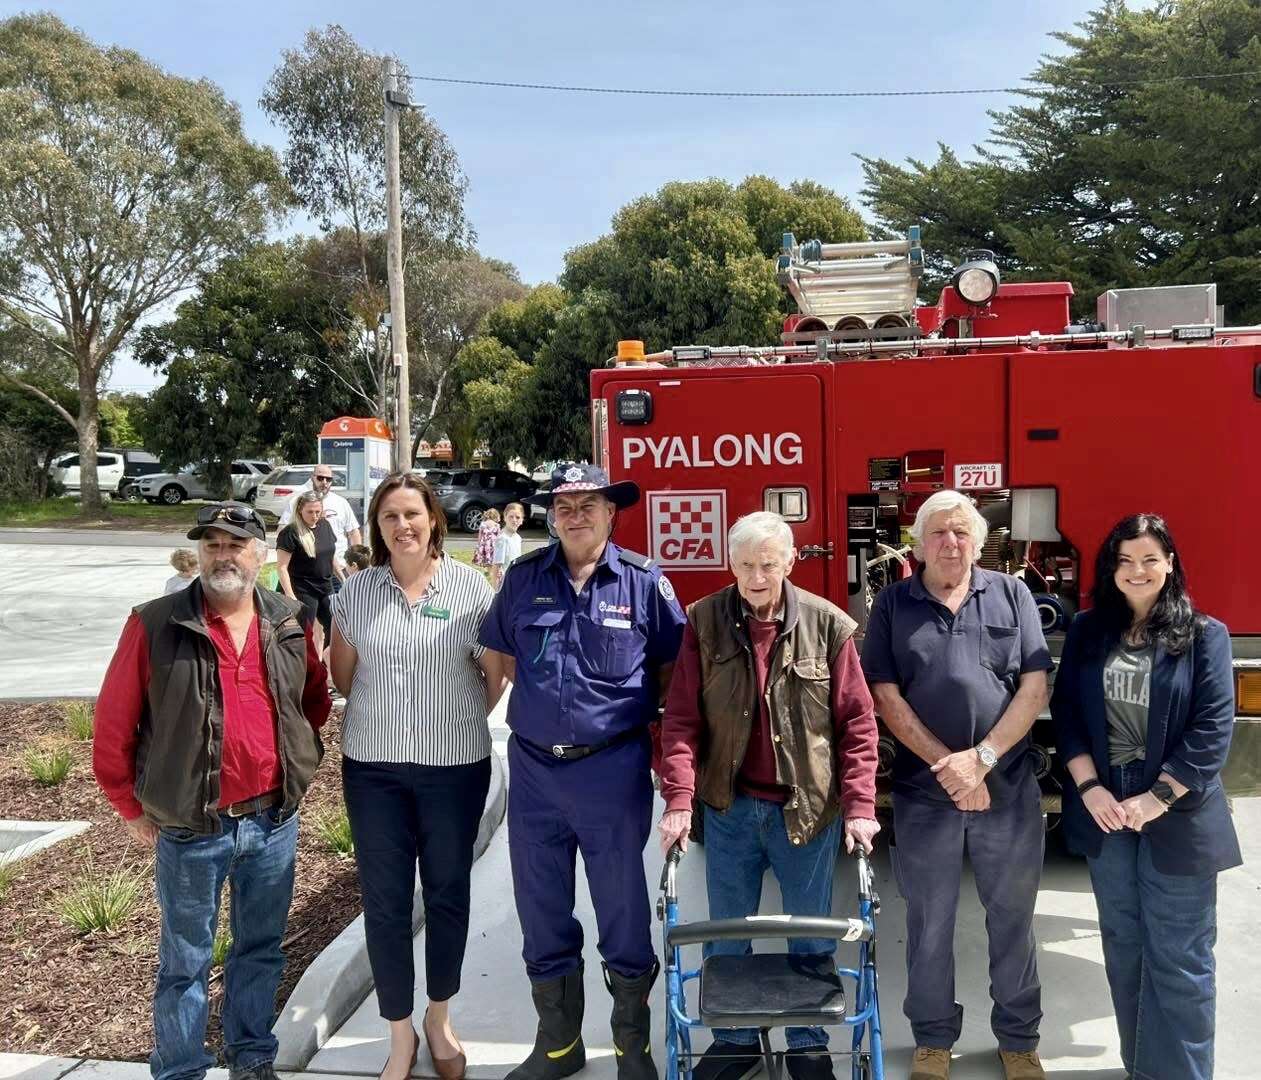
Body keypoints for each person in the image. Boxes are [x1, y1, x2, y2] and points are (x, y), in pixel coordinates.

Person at [93, 501, 330, 1080]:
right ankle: (180, 1069)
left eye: (235, 544)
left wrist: (293, 761)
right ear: (199, 552)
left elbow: (314, 703)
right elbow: (113, 723)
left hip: (272, 821)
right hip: (193, 825)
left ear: (259, 552)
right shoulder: (154, 623)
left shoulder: (288, 619)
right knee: (185, 962)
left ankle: (251, 1059)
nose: (223, 556)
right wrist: (128, 806)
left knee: (261, 949)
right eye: (212, 545)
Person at [478, 464, 686, 1080]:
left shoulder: (645, 583)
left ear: (610, 512)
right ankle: (559, 1048)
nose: (574, 514)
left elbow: (673, 677)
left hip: (611, 771)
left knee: (622, 912)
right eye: (563, 504)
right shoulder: (521, 580)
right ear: (551, 514)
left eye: (587, 503)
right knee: (541, 910)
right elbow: (504, 658)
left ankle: (632, 1049)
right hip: (536, 772)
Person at [658, 511, 880, 1080]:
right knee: (727, 934)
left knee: (810, 934)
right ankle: (735, 1041)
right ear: (732, 564)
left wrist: (859, 807)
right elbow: (681, 720)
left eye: (768, 564)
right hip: (729, 810)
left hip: (806, 809)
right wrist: (679, 799)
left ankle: (806, 1042)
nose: (756, 576)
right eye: (746, 564)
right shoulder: (703, 622)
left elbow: (857, 724)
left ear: (789, 562)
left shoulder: (829, 626)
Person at [860, 490, 1052, 1080]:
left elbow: (1035, 685)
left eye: (961, 533)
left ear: (977, 540)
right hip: (926, 792)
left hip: (1008, 787)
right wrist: (952, 766)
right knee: (929, 921)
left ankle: (1019, 1039)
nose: (950, 543)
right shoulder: (893, 604)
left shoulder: (1013, 593)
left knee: (1013, 919)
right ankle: (933, 1039)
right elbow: (885, 697)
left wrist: (984, 760)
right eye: (938, 533)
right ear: (917, 544)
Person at [1052, 513, 1240, 1080]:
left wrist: (1157, 797)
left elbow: (1213, 731)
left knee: (1180, 959)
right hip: (1106, 805)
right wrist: (1088, 788)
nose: (1137, 570)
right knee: (1125, 949)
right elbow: (1067, 715)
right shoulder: (1088, 630)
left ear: (1170, 564)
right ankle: (1142, 1069)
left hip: (1177, 809)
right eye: (1125, 559)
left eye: (1149, 559)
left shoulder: (1206, 635)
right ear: (1111, 567)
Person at [330, 472, 505, 1080]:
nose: (402, 526)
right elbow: (343, 680)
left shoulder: (471, 590)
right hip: (373, 771)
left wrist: (448, 722)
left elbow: (494, 677)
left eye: (412, 514)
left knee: (447, 893)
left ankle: (439, 1017)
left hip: (454, 770)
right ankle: (399, 1034)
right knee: (384, 901)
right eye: (389, 517)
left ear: (434, 518)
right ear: (376, 529)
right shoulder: (355, 594)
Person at [275, 491, 338, 652]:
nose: (314, 516)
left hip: (325, 586)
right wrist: (290, 596)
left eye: (318, 511)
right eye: (310, 512)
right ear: (300, 510)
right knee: (304, 633)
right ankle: (304, 668)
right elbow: (281, 567)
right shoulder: (290, 533)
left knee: (337, 626)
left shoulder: (325, 526)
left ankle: (326, 663)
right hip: (302, 588)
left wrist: (344, 577)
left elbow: (331, 556)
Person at [278, 464, 362, 572]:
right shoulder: (298, 502)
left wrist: (356, 559)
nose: (324, 482)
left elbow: (353, 532)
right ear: (312, 477)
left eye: (329, 479)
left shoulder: (341, 502)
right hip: (309, 570)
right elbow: (282, 531)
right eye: (320, 478)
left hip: (340, 567)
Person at [490, 502, 525, 590]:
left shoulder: (517, 538)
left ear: (522, 520)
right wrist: (496, 593)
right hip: (505, 586)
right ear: (505, 517)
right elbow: (496, 568)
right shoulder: (503, 539)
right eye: (511, 516)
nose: (514, 520)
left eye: (518, 517)